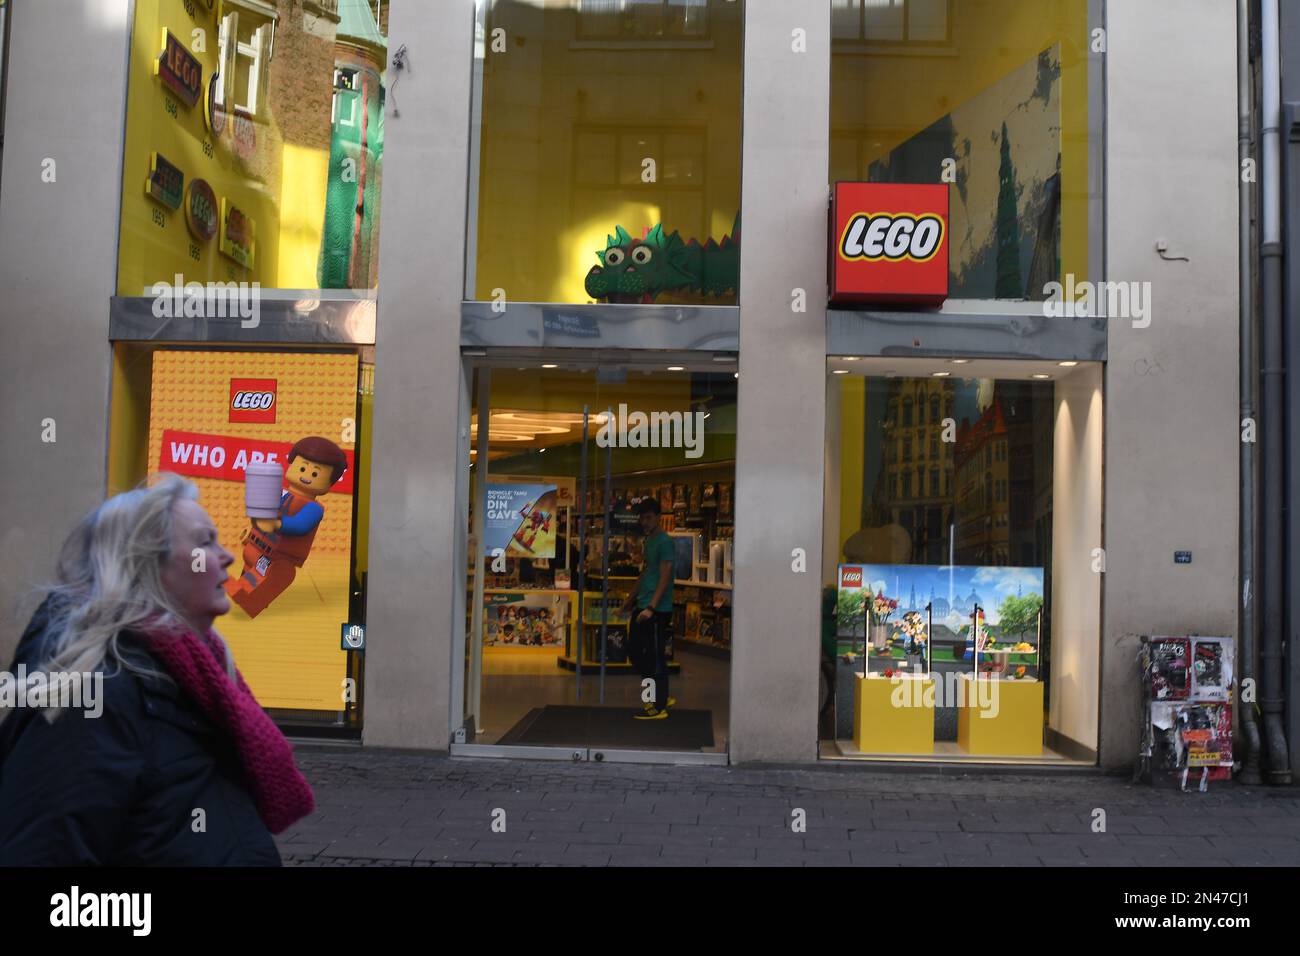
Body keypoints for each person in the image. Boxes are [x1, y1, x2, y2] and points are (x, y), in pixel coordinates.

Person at [0, 474, 314, 865]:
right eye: (204, 542)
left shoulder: (192, 680)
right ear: (144, 565)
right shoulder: (94, 699)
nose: (227, 555)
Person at [226, 436, 348, 618]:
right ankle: (240, 592)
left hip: (276, 558)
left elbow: (300, 526)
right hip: (256, 546)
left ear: (329, 483)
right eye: (302, 467)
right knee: (249, 575)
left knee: (266, 576)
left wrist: (277, 524)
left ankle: (249, 600)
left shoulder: (314, 508)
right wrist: (252, 531)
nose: (306, 475)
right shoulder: (280, 494)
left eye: (315, 474)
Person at [620, 498, 676, 720]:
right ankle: (661, 695)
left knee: (655, 657)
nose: (644, 521)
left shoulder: (664, 542)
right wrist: (629, 601)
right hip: (643, 605)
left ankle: (658, 705)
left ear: (658, 517)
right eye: (642, 518)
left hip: (656, 609)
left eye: (649, 517)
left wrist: (652, 607)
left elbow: (665, 576)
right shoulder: (649, 542)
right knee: (634, 652)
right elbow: (645, 574)